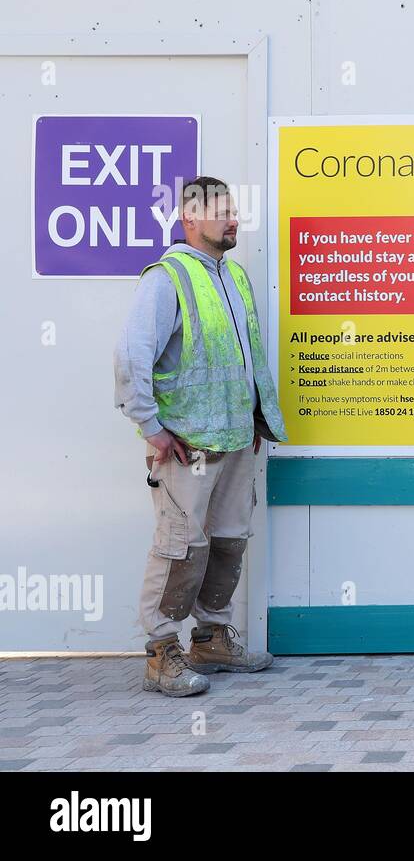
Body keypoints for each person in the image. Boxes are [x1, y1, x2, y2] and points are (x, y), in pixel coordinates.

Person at [113, 177, 288, 697]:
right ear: (189, 219)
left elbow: (244, 356)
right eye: (220, 212)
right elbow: (131, 357)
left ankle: (210, 639)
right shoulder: (167, 279)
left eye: (234, 211)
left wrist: (255, 418)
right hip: (186, 443)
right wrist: (152, 427)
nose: (233, 220)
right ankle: (162, 653)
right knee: (179, 547)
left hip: (234, 440)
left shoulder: (233, 275)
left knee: (229, 540)